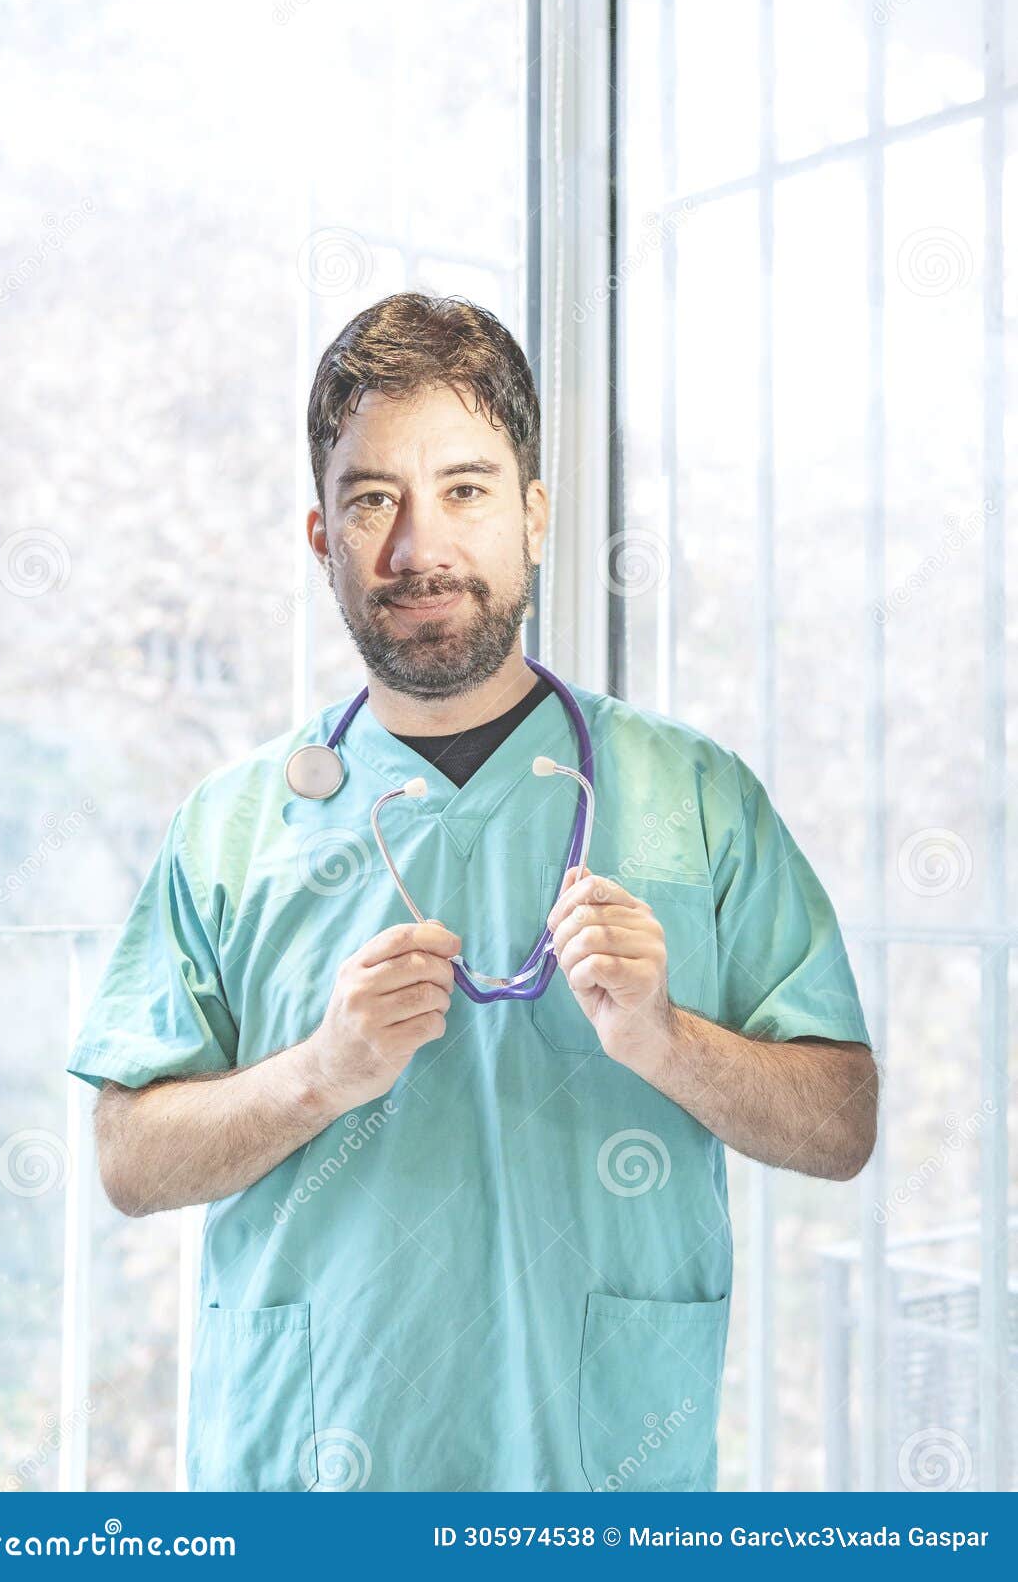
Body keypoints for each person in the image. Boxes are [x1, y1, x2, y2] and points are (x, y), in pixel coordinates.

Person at [67, 292, 878, 1493]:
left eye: (464, 488)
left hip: (596, 1483)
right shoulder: (232, 826)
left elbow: (841, 1123)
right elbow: (129, 1157)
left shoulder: (694, 795)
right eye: (372, 499)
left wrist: (666, 1040)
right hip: (309, 1489)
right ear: (320, 534)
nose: (418, 547)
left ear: (533, 514)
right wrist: (319, 1075)